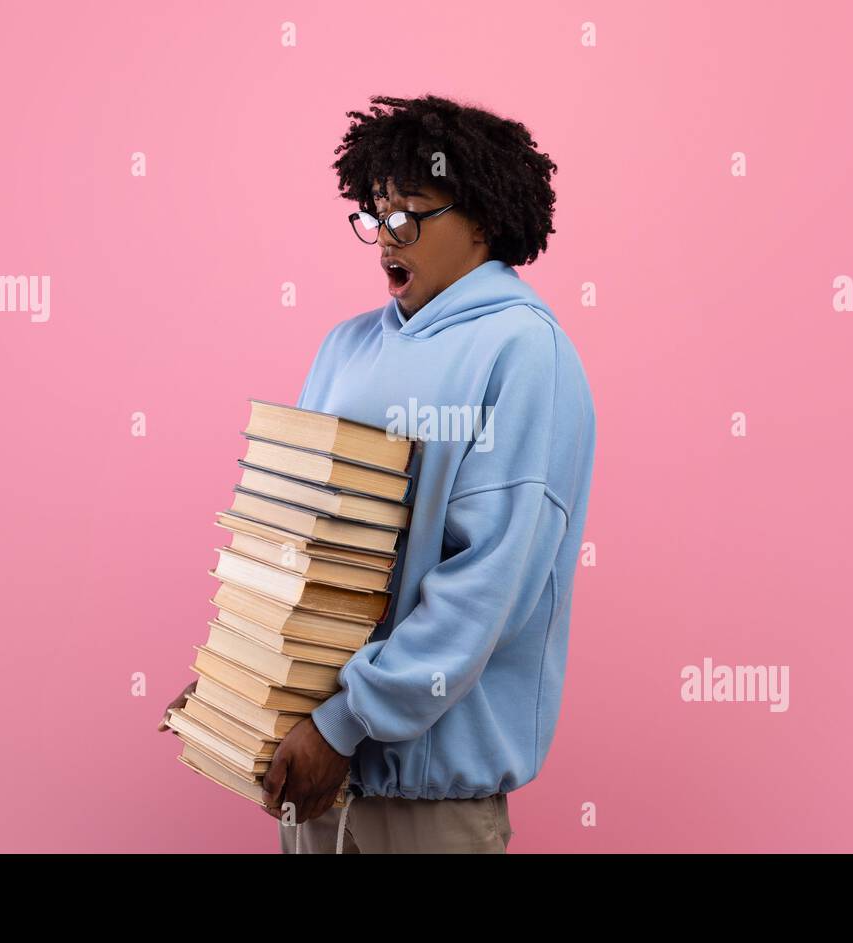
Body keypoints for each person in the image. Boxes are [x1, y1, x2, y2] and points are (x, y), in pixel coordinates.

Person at [161, 94, 595, 854]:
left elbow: (484, 587)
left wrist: (345, 721)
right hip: (315, 785)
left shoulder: (525, 352)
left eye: (409, 215)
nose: (385, 236)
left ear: (483, 222)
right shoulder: (345, 346)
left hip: (427, 810)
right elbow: (296, 540)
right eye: (376, 213)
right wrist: (240, 676)